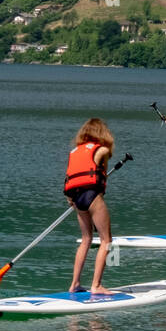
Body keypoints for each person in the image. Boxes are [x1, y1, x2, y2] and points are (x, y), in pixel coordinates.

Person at [64, 118, 114, 294]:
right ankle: (96, 285)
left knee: (86, 239)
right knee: (106, 240)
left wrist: (71, 199)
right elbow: (102, 175)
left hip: (76, 198)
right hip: (92, 197)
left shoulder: (74, 152)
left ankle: (74, 284)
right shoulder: (102, 150)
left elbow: (71, 176)